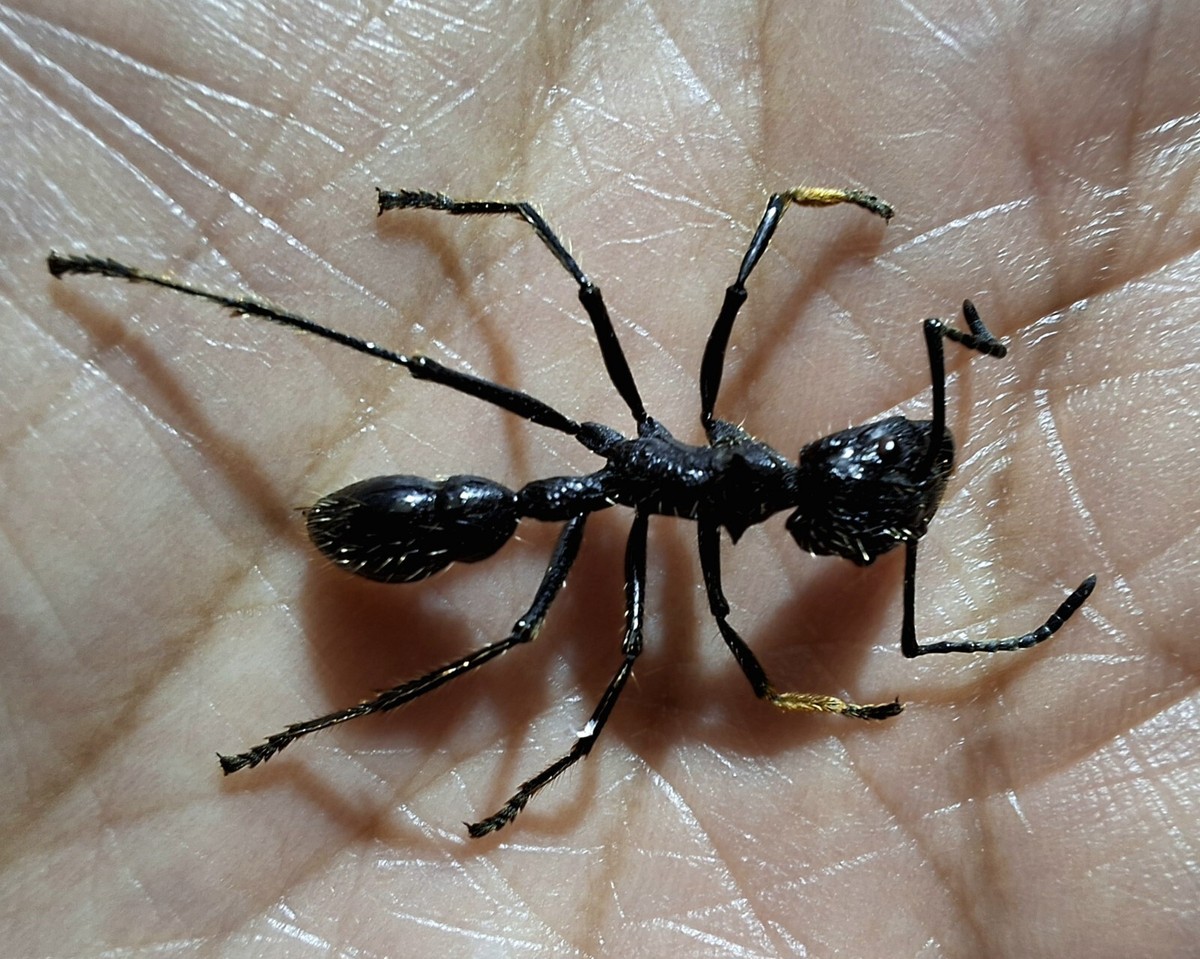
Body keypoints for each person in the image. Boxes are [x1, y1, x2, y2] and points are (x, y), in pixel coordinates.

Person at [4, 1, 1195, 954]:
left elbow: (739, 666)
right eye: (866, 510)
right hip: (473, 513)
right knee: (472, 464)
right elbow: (740, 667)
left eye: (864, 503)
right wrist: (792, 203)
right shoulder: (722, 526)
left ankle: (305, 730)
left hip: (510, 507)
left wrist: (816, 704)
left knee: (540, 632)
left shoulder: (722, 478)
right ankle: (160, 298)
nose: (861, 472)